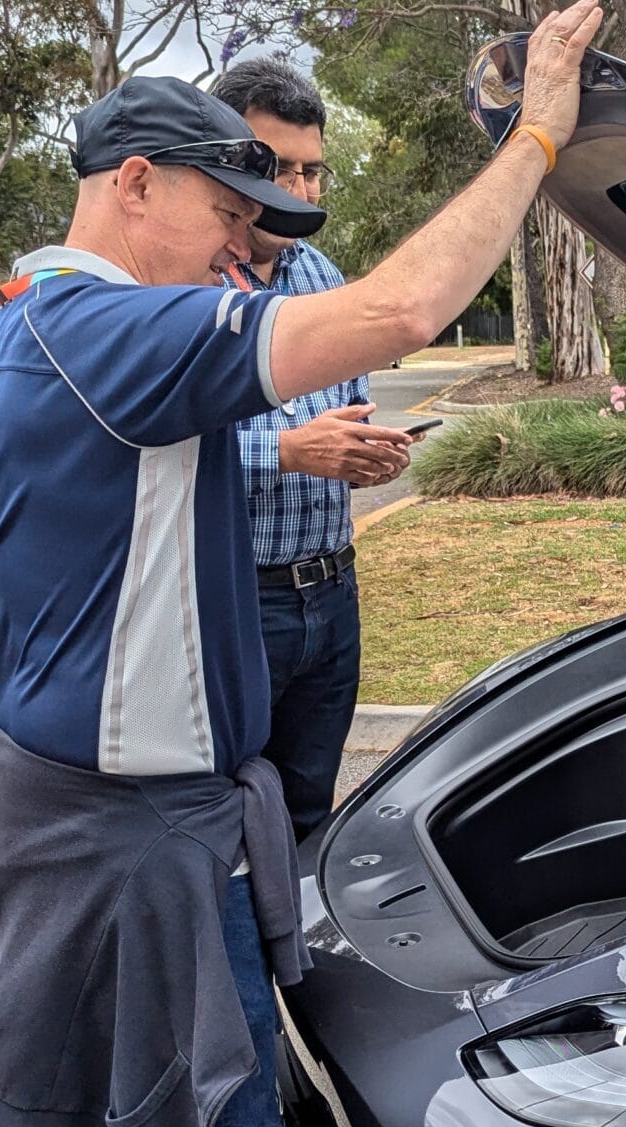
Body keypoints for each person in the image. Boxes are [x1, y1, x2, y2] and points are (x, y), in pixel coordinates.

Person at [0, 5, 603, 1127]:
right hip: (145, 846)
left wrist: (55, 752)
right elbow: (404, 312)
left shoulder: (1, 341)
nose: (243, 245)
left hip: (45, 814)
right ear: (132, 189)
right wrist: (540, 126)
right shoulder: (119, 323)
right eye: (224, 209)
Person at [209, 55, 415, 842]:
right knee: (227, 824)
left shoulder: (321, 273)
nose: (297, 193)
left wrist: (367, 453)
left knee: (307, 820)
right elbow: (153, 457)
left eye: (312, 172)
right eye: (275, 169)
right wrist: (288, 452)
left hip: (330, 593)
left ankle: (299, 964)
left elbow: (345, 410)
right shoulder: (185, 287)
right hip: (236, 600)